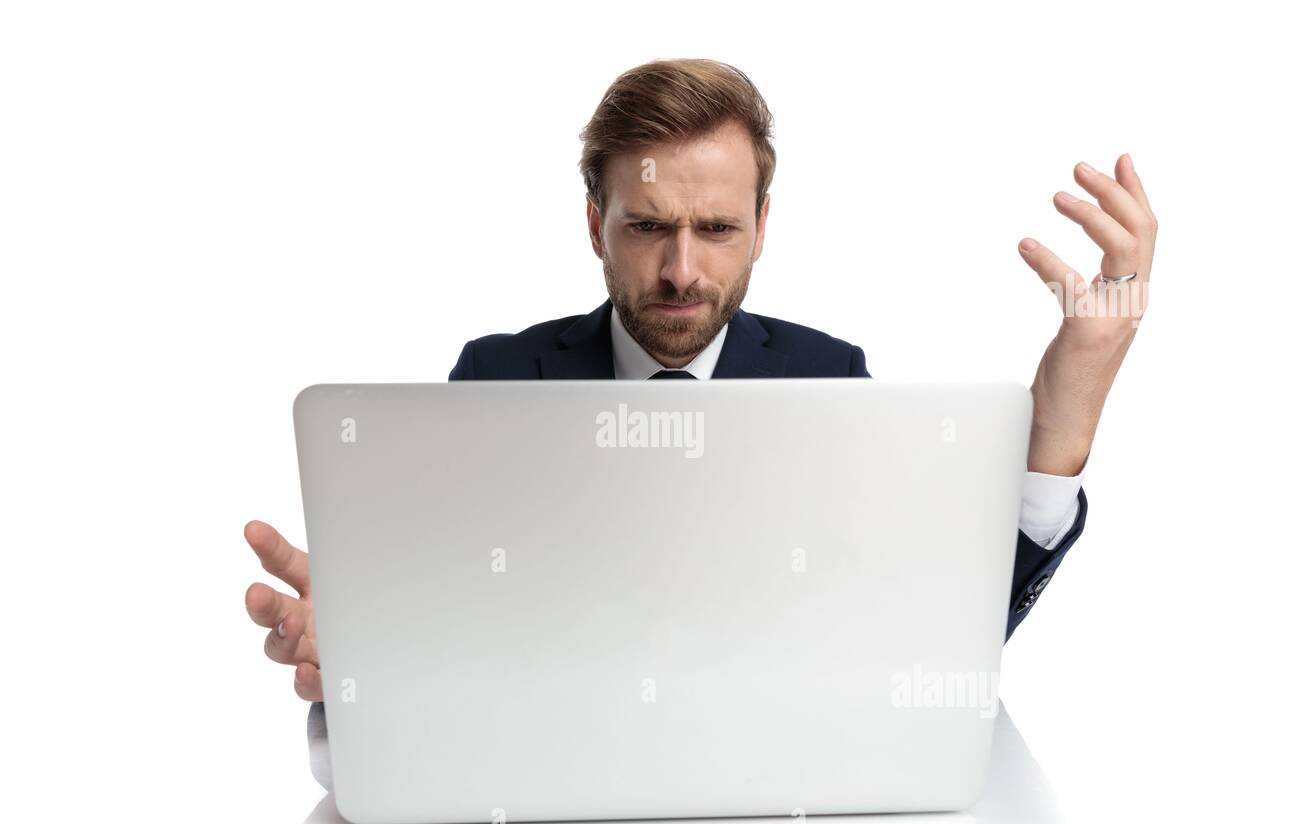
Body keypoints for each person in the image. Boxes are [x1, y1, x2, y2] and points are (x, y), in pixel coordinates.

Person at [243, 59, 1157, 786]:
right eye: (647, 228)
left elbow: (928, 636)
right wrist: (375, 637)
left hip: (769, 805)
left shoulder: (831, 382)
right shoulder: (496, 377)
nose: (681, 271)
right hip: (555, 799)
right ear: (595, 223)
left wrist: (1065, 413)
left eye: (715, 228)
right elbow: (453, 630)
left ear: (762, 226)